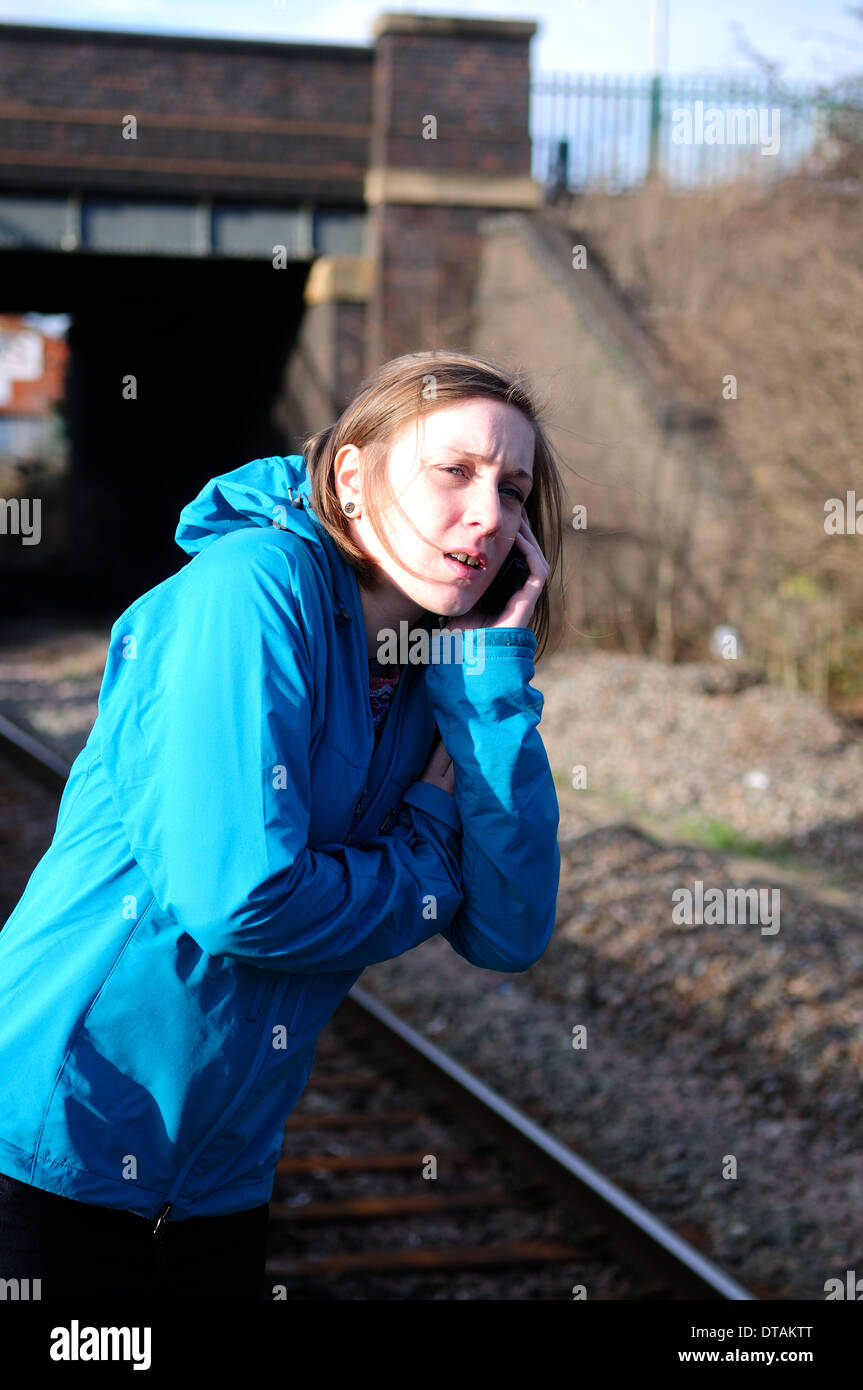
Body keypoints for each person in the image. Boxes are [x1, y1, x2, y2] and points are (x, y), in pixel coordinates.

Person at [0, 349, 565, 1301]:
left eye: (512, 490)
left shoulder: (441, 670)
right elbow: (243, 902)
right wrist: (426, 851)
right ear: (351, 474)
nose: (489, 514)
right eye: (454, 471)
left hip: (217, 1181)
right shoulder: (251, 589)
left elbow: (509, 930)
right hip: (49, 1146)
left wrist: (491, 681)